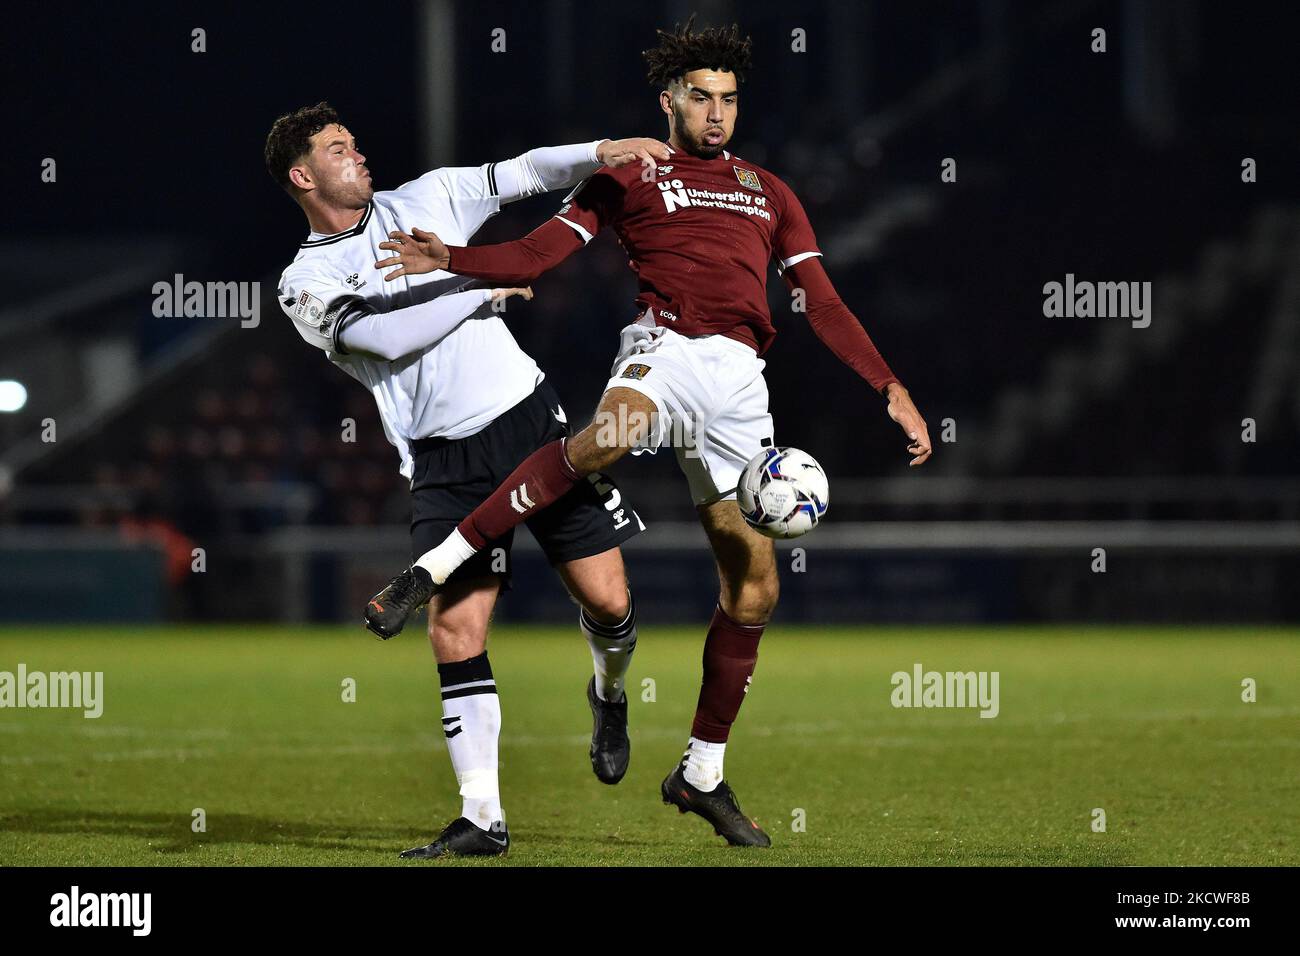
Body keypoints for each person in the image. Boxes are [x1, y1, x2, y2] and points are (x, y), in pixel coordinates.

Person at [364, 19, 932, 848]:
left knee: (756, 586)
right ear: (668, 101)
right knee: (607, 436)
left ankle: (700, 773)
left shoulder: (770, 191)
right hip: (664, 351)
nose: (716, 113)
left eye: (729, 99)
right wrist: (447, 255)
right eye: (701, 97)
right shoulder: (625, 176)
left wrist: (890, 384)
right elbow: (530, 256)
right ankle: (434, 567)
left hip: (740, 383)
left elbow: (823, 300)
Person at [266, 102, 669, 858]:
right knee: (453, 628)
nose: (358, 155)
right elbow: (379, 337)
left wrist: (603, 148)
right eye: (338, 149)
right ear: (303, 175)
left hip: (526, 423)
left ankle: (609, 694)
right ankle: (482, 817)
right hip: (441, 459)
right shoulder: (304, 280)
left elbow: (522, 174)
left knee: (609, 601)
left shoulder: (426, 197)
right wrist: (476, 288)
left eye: (354, 142)